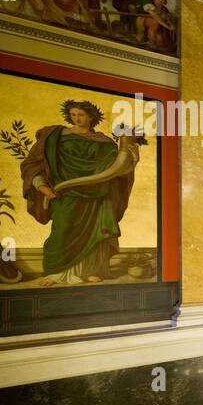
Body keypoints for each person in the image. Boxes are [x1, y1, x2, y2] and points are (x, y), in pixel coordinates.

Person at [21, 100, 140, 286]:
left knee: (94, 233)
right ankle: (56, 274)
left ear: (91, 117)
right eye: (73, 114)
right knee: (62, 230)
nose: (76, 118)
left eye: (81, 115)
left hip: (97, 194)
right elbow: (32, 164)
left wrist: (133, 161)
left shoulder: (105, 143)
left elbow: (116, 172)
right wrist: (43, 189)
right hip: (64, 193)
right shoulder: (54, 136)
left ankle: (90, 270)